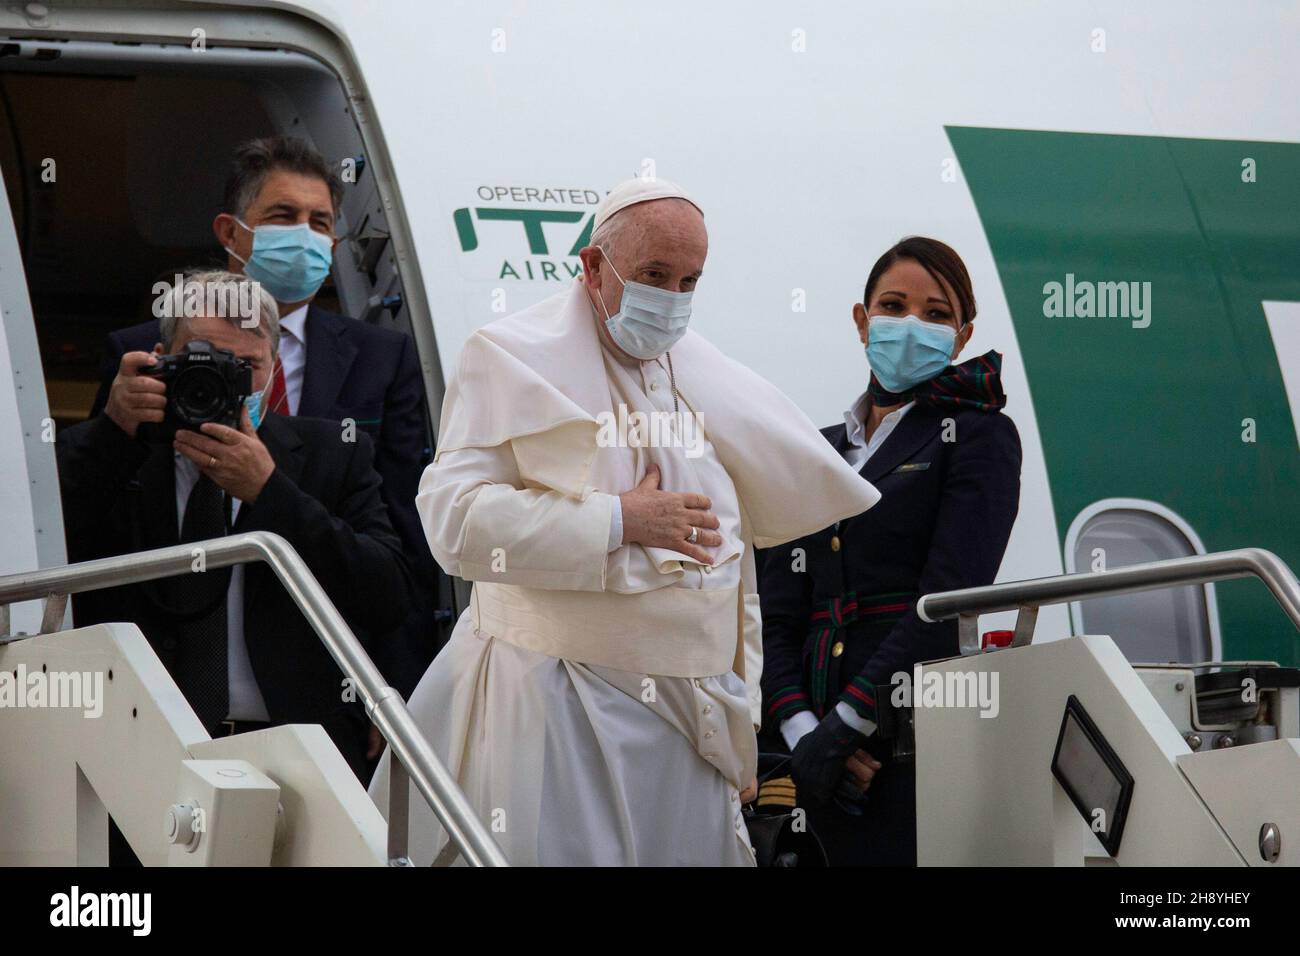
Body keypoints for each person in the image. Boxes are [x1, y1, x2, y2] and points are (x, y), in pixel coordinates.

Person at [369, 177, 881, 866]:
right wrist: (617, 519)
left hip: (690, 730)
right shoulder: (507, 356)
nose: (671, 301)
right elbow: (453, 522)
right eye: (653, 276)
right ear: (591, 267)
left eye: (689, 281)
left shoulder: (703, 378)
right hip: (561, 706)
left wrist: (740, 731)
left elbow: (734, 582)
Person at [89, 135, 440, 746]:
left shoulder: (381, 359)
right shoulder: (138, 354)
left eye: (321, 222)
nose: (304, 235)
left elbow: (401, 549)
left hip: (305, 701)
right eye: (283, 216)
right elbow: (79, 518)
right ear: (231, 230)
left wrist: (392, 694)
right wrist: (113, 425)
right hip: (145, 708)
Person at [60, 270, 415, 780]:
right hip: (136, 744)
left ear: (275, 370)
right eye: (199, 360)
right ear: (161, 360)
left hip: (291, 749)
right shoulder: (119, 449)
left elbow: (388, 592)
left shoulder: (332, 453)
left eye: (244, 365)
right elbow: (47, 543)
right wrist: (114, 433)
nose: (223, 381)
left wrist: (271, 492)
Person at [758, 236, 1022, 865]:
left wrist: (849, 725)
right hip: (808, 753)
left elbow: (945, 602)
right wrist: (804, 734)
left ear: (962, 336)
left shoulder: (979, 437)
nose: (912, 325)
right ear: (861, 319)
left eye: (936, 315)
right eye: (894, 305)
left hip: (901, 748)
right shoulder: (817, 450)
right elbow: (774, 613)